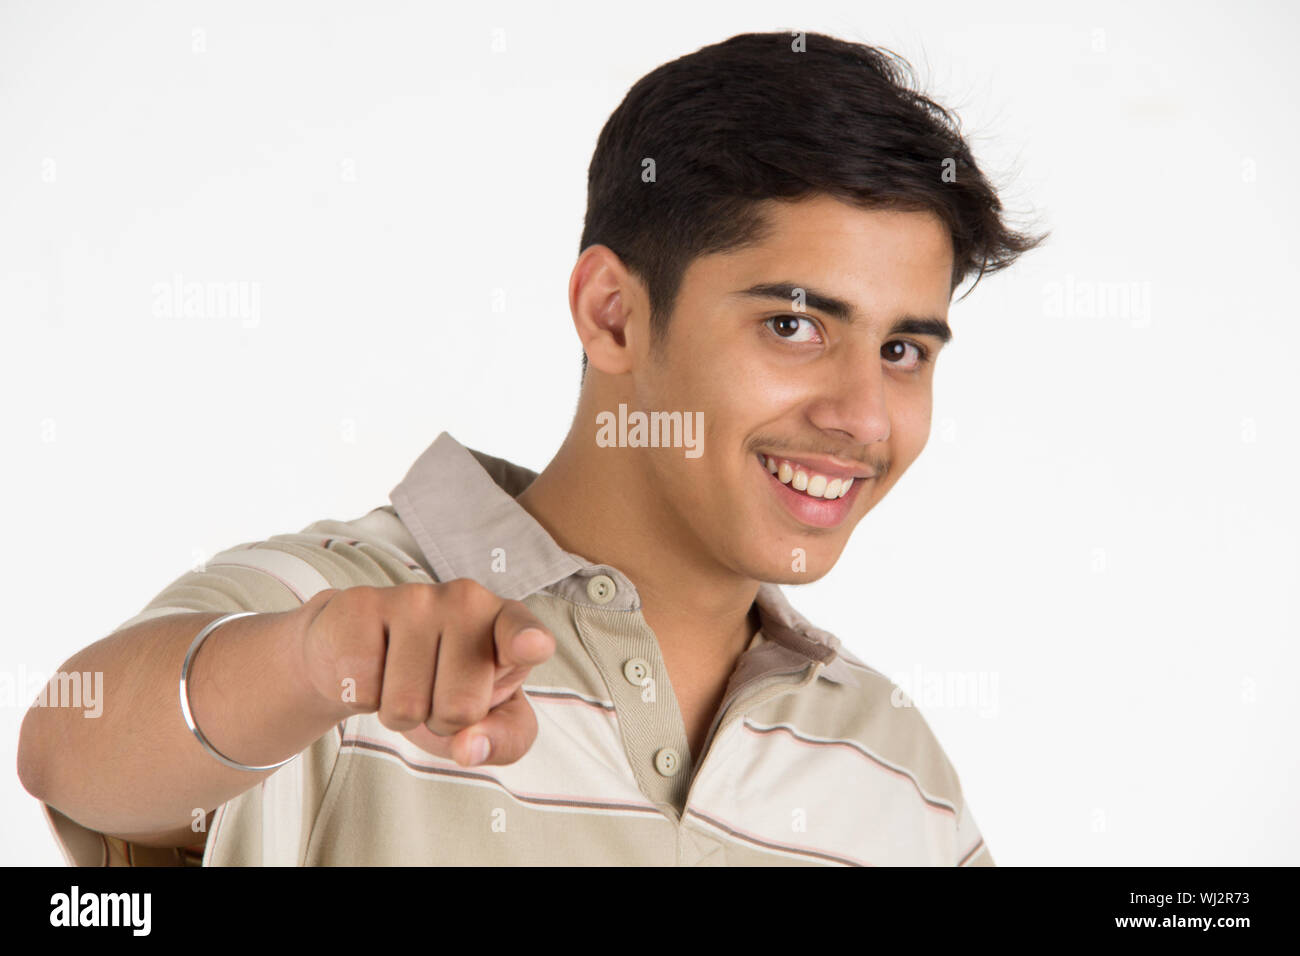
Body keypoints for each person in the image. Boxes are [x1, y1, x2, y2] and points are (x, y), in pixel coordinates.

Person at [18, 29, 1046, 866]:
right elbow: (69, 746)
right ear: (612, 316)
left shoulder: (893, 765)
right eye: (792, 325)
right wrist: (318, 659)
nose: (865, 415)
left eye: (904, 348)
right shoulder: (341, 621)